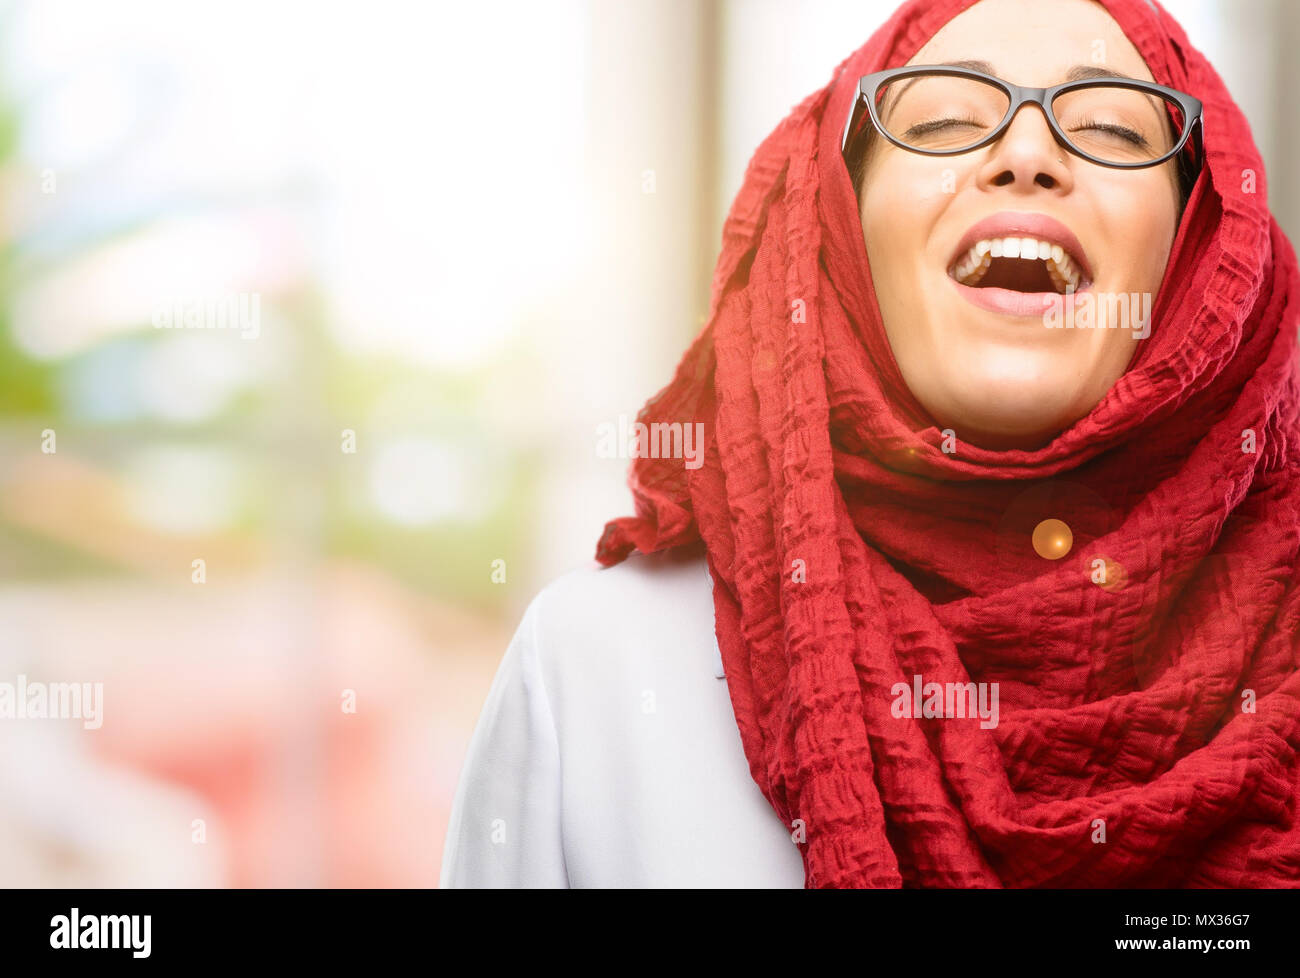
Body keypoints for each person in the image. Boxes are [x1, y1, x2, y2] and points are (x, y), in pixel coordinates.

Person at [441, 0, 1300, 888]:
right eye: (943, 120)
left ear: (1200, 248)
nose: (1028, 155)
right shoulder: (597, 671)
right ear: (837, 223)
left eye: (1112, 129)